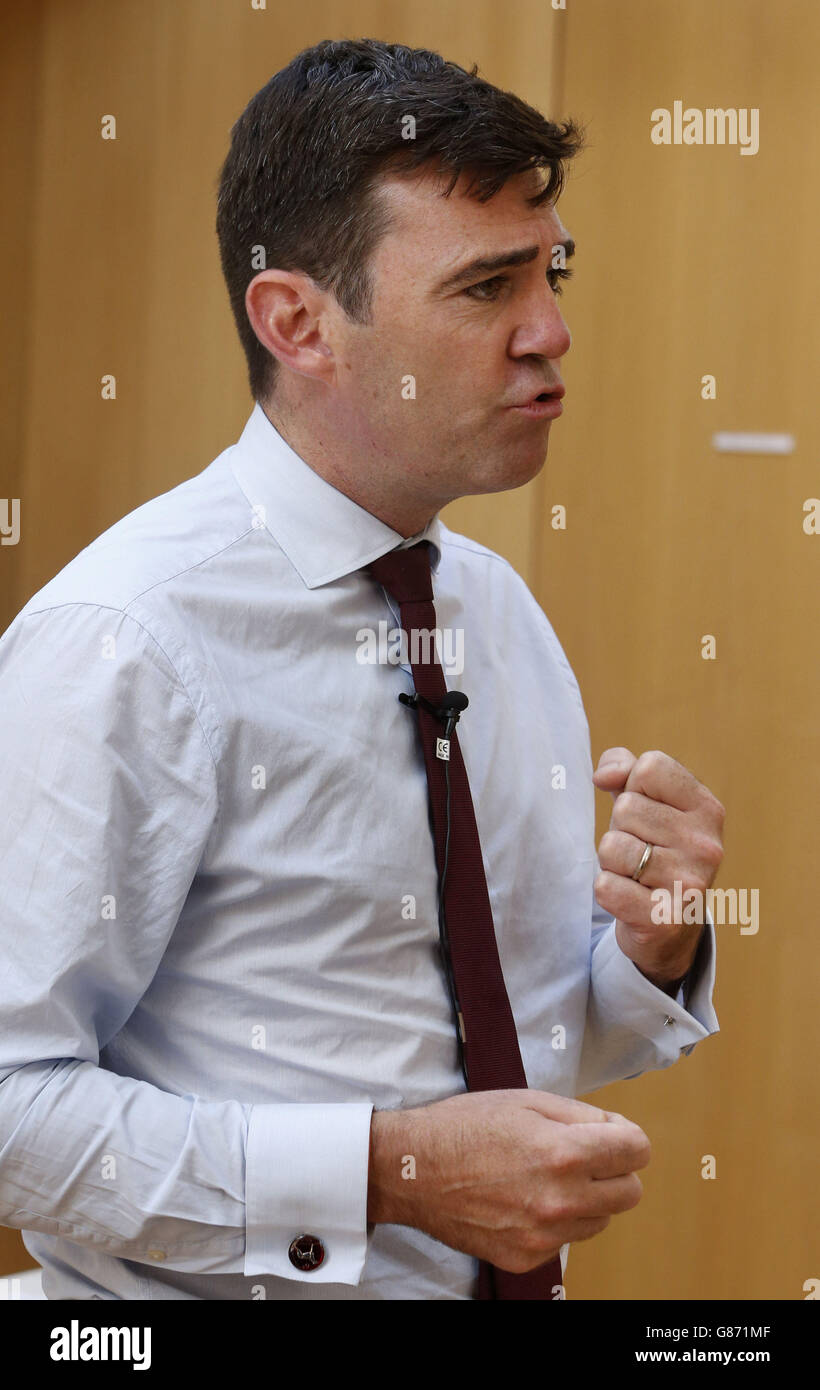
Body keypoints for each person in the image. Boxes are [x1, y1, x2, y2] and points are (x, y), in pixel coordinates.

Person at [0, 37, 723, 1301]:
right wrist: (385, 1174)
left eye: (550, 272)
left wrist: (648, 956)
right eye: (485, 286)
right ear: (297, 322)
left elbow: (479, 1048)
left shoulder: (492, 612)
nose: (550, 331)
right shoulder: (126, 636)